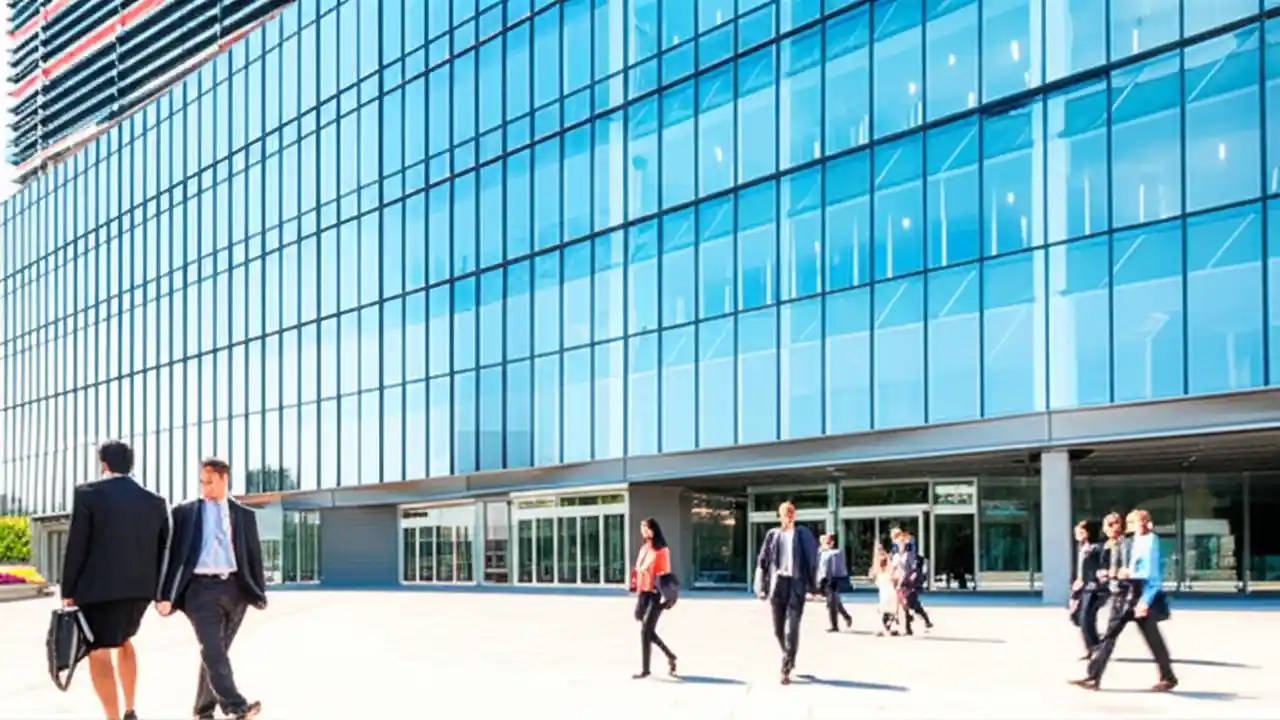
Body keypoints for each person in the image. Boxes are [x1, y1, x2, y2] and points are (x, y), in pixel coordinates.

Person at [59, 440, 170, 720]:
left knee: (98, 650)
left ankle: (112, 717)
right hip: (139, 590)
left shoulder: (88, 494)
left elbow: (77, 544)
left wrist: (68, 588)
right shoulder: (155, 501)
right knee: (124, 640)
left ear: (104, 464)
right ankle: (130, 709)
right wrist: (160, 591)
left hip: (96, 589)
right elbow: (164, 548)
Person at [156, 458, 268, 720]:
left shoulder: (243, 515)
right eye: (201, 482)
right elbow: (168, 554)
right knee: (213, 650)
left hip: (235, 590)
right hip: (200, 591)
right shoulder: (185, 512)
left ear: (224, 479)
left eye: (210, 482)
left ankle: (203, 711)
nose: (204, 488)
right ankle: (236, 706)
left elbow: (253, 556)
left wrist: (258, 592)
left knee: (216, 654)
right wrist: (164, 595)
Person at [1071, 509, 1177, 692]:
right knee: (1116, 636)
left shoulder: (1149, 541)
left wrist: (1143, 598)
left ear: (1142, 523)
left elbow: (1151, 575)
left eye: (1132, 523)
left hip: (1136, 593)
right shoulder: (1133, 542)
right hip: (1126, 591)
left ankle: (1093, 677)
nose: (1128, 528)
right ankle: (1094, 676)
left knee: (1129, 636)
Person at [753, 501, 819, 685]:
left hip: (796, 583)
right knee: (778, 629)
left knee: (792, 628)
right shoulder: (773, 535)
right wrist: (761, 585)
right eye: (785, 512)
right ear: (780, 516)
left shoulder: (803, 534)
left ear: (795, 515)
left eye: (791, 512)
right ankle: (789, 653)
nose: (788, 515)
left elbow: (813, 560)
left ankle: (786, 667)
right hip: (778, 583)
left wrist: (814, 586)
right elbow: (763, 561)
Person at [629, 517, 677, 679]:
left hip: (655, 594)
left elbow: (665, 575)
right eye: (641, 528)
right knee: (646, 628)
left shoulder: (662, 550)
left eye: (646, 527)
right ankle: (670, 655)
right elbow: (638, 569)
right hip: (643, 592)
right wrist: (635, 586)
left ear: (653, 529)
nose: (643, 531)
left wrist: (668, 597)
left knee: (645, 632)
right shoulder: (644, 548)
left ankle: (645, 669)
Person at [1069, 519, 1106, 660]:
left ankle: (1094, 646)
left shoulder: (1096, 548)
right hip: (1082, 587)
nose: (1077, 535)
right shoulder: (1082, 548)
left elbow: (1097, 568)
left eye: (1080, 532)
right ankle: (1093, 645)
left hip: (1093, 588)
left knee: (1086, 618)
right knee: (1078, 616)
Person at [890, 528, 932, 634]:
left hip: (908, 581)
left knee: (912, 603)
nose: (896, 542)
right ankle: (909, 627)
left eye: (897, 540)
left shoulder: (908, 551)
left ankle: (924, 619)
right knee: (904, 604)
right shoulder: (897, 553)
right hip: (901, 582)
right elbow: (895, 566)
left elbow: (910, 565)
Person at [815, 533, 852, 633]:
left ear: (832, 543)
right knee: (836, 602)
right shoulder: (819, 553)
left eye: (828, 542)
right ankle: (847, 616)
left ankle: (834, 626)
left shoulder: (835, 552)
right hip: (824, 580)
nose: (826, 544)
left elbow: (840, 568)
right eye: (824, 542)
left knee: (832, 602)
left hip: (834, 580)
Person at [869, 545, 899, 636]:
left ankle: (887, 628)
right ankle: (889, 627)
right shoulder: (887, 566)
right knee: (890, 610)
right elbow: (894, 578)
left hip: (885, 591)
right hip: (889, 591)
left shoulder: (879, 567)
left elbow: (873, 577)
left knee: (886, 610)